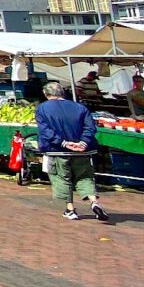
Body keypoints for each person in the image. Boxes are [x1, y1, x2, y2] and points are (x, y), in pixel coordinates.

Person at [35, 80, 108, 221]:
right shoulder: (80, 107)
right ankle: (94, 202)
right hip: (82, 150)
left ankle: (70, 209)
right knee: (85, 176)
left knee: (62, 178)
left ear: (46, 94)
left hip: (57, 150)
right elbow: (90, 128)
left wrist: (63, 143)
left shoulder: (42, 109)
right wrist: (83, 142)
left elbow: (45, 131)